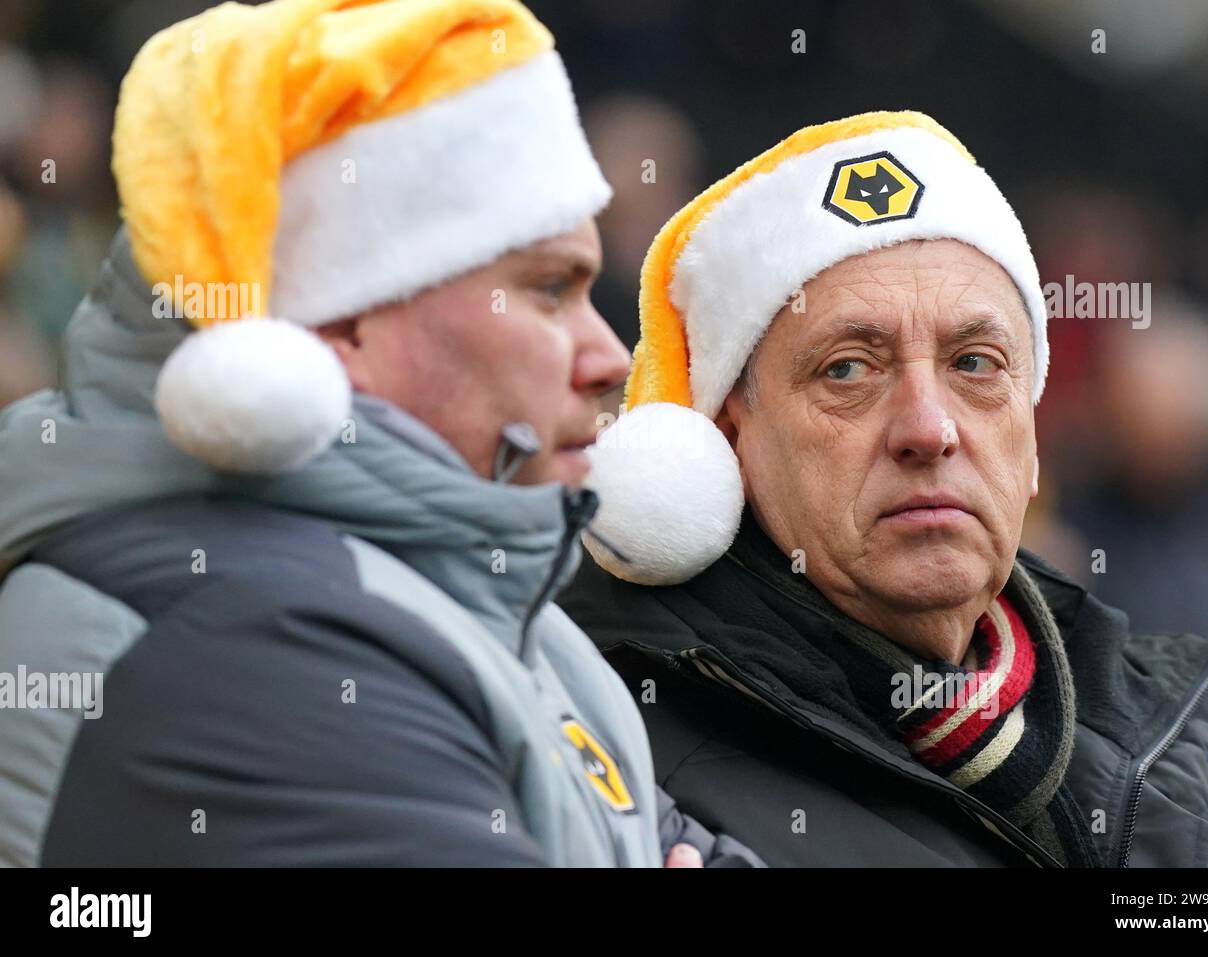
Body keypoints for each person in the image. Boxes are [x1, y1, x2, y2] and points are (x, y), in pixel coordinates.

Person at [0, 0, 758, 868]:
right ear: (344, 325)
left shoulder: (519, 619)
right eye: (548, 289)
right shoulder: (248, 638)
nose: (606, 355)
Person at [562, 111, 1208, 867]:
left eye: (975, 363)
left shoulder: (1164, 753)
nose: (929, 427)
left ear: (1033, 444)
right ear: (726, 441)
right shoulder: (613, 773)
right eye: (847, 368)